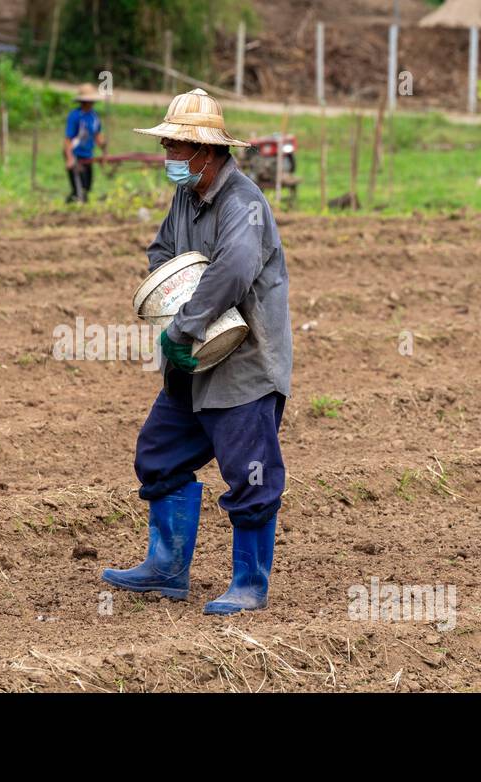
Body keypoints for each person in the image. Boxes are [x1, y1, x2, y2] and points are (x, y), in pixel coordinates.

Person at [101, 88, 292, 615]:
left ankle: (249, 585)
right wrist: (171, 299)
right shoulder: (186, 197)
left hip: (244, 365)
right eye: (166, 146)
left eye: (174, 148)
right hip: (193, 361)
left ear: (205, 153)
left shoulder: (244, 204)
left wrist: (182, 327)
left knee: (249, 472)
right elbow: (163, 251)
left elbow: (233, 271)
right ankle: (166, 569)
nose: (168, 158)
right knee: (159, 454)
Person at [63, 83, 105, 203]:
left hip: (88, 155)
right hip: (75, 154)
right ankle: (73, 207)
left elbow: (98, 136)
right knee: (79, 189)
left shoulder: (94, 117)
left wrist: (103, 147)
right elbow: (68, 139)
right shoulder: (75, 116)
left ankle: (74, 203)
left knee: (87, 187)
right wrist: (70, 158)